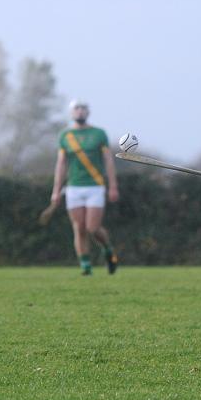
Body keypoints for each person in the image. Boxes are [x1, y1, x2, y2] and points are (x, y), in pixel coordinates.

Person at [50, 100, 120, 276]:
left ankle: (108, 250)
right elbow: (61, 164)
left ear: (88, 112)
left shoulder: (99, 134)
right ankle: (85, 266)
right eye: (76, 109)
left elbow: (108, 161)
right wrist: (56, 190)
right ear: (71, 113)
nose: (80, 112)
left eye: (83, 109)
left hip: (95, 187)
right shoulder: (65, 136)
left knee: (92, 227)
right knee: (79, 227)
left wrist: (112, 186)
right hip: (73, 188)